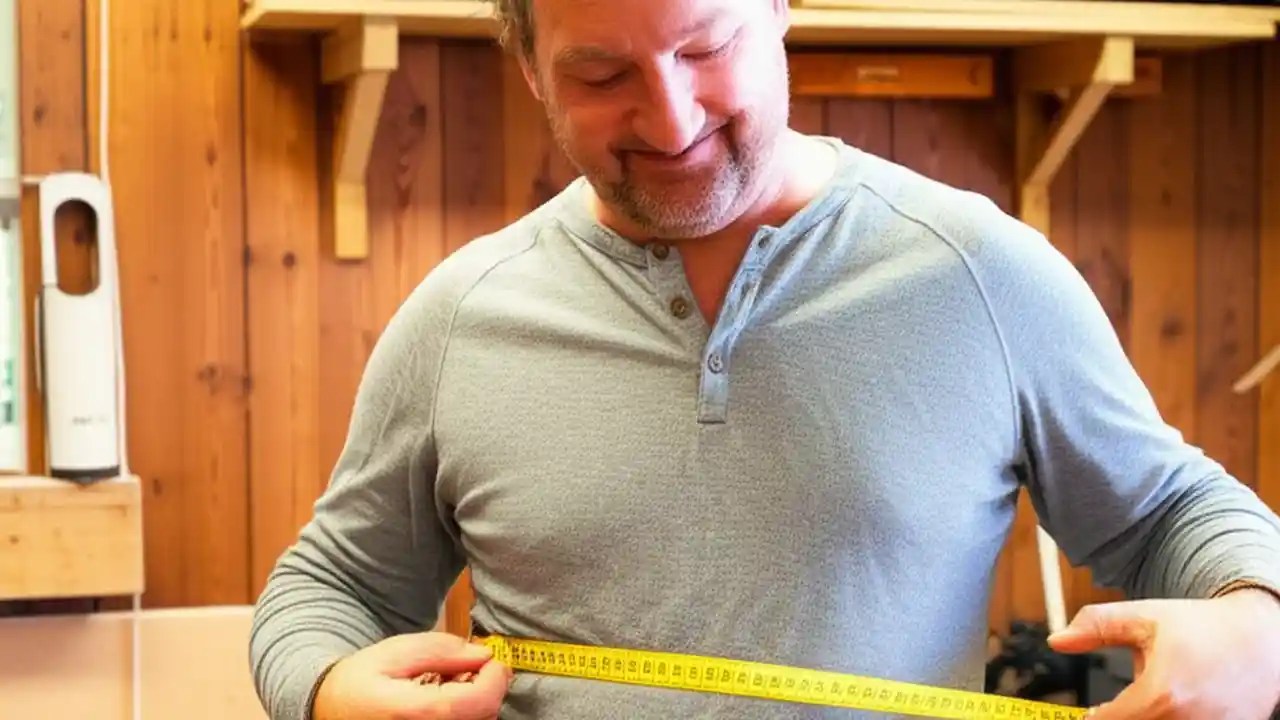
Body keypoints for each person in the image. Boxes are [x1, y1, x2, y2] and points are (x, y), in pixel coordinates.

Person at [248, 0, 1280, 717]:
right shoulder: (460, 316)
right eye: (602, 73)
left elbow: (1167, 515)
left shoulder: (982, 275)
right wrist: (327, 688)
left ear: (779, 11)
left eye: (705, 47)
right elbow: (328, 585)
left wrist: (1255, 625)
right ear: (528, 69)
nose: (670, 114)